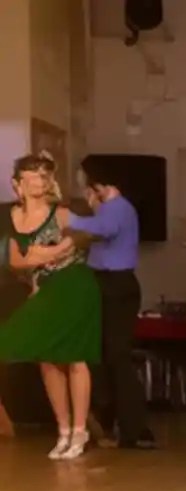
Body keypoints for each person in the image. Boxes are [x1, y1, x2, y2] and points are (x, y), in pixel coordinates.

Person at [0, 154, 102, 459]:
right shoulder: (11, 217)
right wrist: (48, 254)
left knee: (74, 356)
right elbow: (17, 260)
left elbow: (83, 239)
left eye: (44, 174)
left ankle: (80, 431)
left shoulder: (63, 214)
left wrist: (48, 252)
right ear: (17, 183)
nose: (39, 179)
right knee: (46, 358)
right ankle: (63, 430)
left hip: (75, 285)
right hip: (44, 288)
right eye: (33, 174)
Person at [68, 157, 155, 449]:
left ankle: (135, 429)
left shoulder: (118, 207)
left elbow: (104, 229)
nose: (81, 187)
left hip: (117, 286)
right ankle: (109, 426)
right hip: (103, 284)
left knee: (117, 356)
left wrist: (65, 219)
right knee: (103, 356)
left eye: (84, 180)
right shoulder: (106, 207)